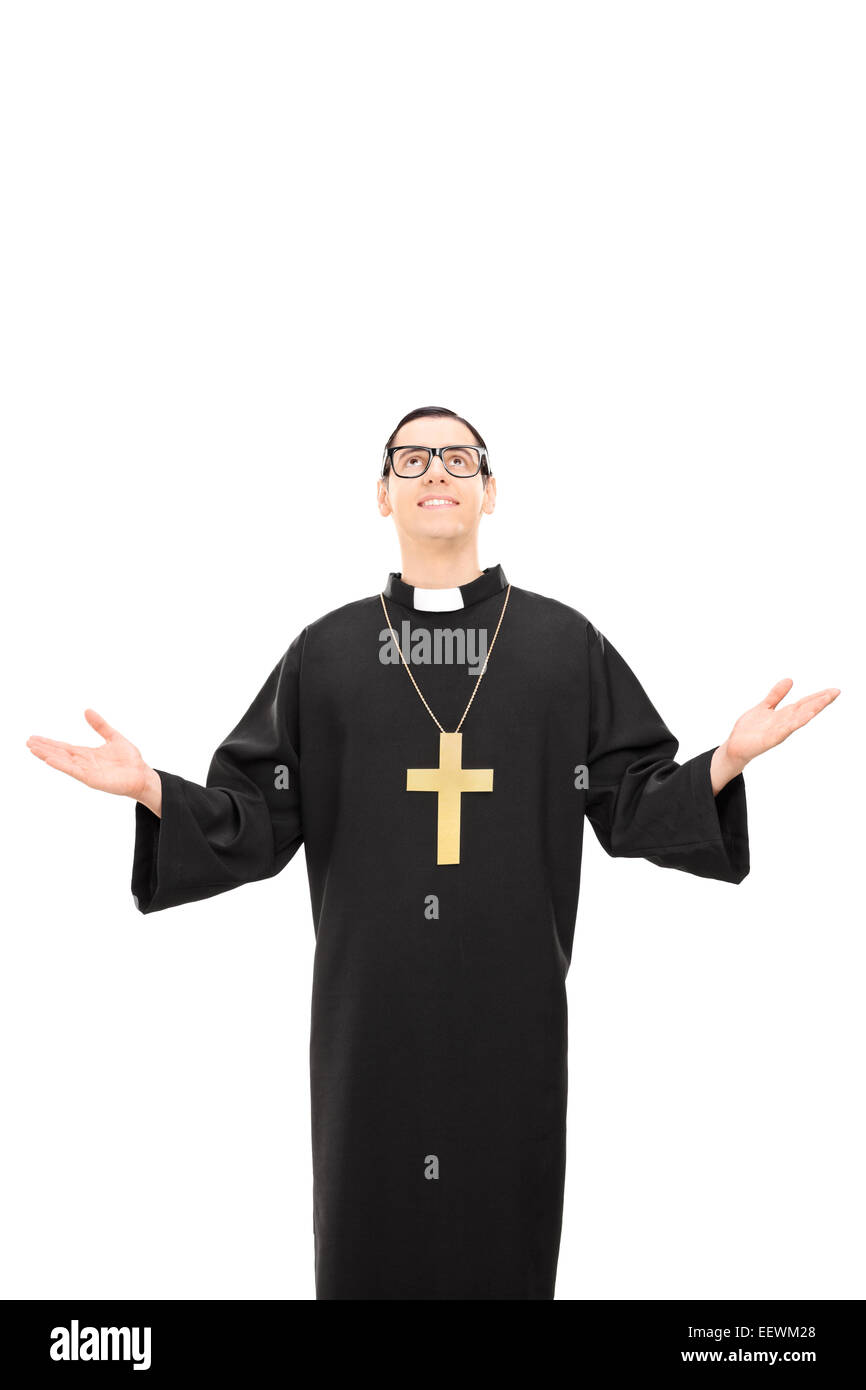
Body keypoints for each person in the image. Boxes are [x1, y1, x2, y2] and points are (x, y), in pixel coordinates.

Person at [26, 405, 840, 1300]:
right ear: (382, 495)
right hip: (367, 1028)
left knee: (504, 1244)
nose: (436, 470)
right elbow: (255, 818)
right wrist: (153, 791)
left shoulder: (563, 646)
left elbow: (633, 805)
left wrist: (724, 762)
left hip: (513, 1022)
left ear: (491, 491)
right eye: (411, 458)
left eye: (459, 456)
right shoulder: (328, 652)